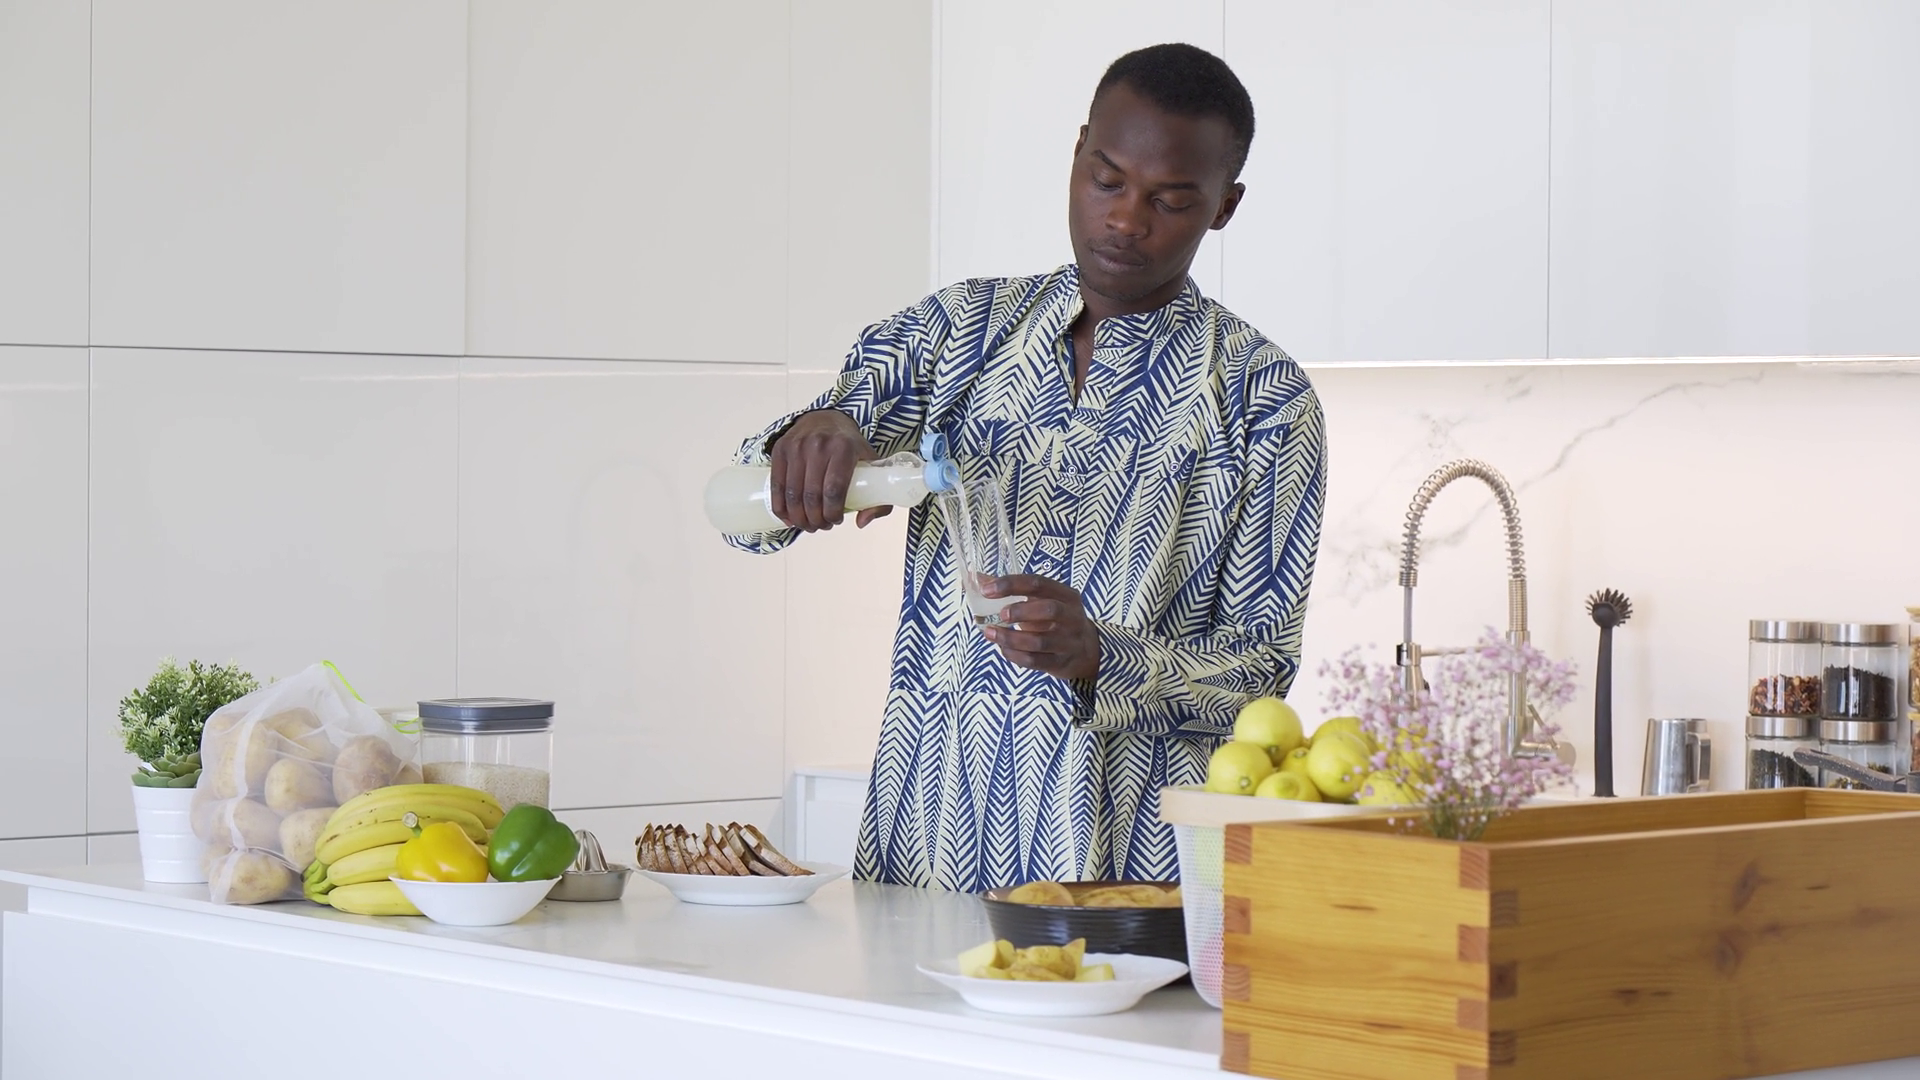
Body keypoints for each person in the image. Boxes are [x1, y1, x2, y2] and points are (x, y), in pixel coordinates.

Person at [726, 43, 1326, 891]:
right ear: (1079, 152)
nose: (1126, 219)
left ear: (1223, 208)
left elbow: (1259, 680)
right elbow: (747, 520)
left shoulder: (1266, 402)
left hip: (1131, 879)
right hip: (921, 856)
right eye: (1107, 180)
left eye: (1171, 200)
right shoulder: (955, 335)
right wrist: (817, 437)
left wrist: (1101, 655)